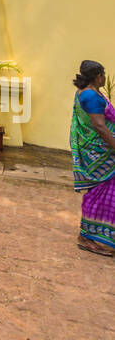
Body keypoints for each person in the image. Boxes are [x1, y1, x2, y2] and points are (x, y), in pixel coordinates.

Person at [70, 60, 115, 257]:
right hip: (100, 153)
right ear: (97, 76)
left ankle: (99, 233)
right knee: (100, 192)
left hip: (101, 151)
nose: (104, 78)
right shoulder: (90, 95)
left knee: (104, 191)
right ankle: (88, 236)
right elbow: (99, 126)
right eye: (103, 74)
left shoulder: (86, 92)